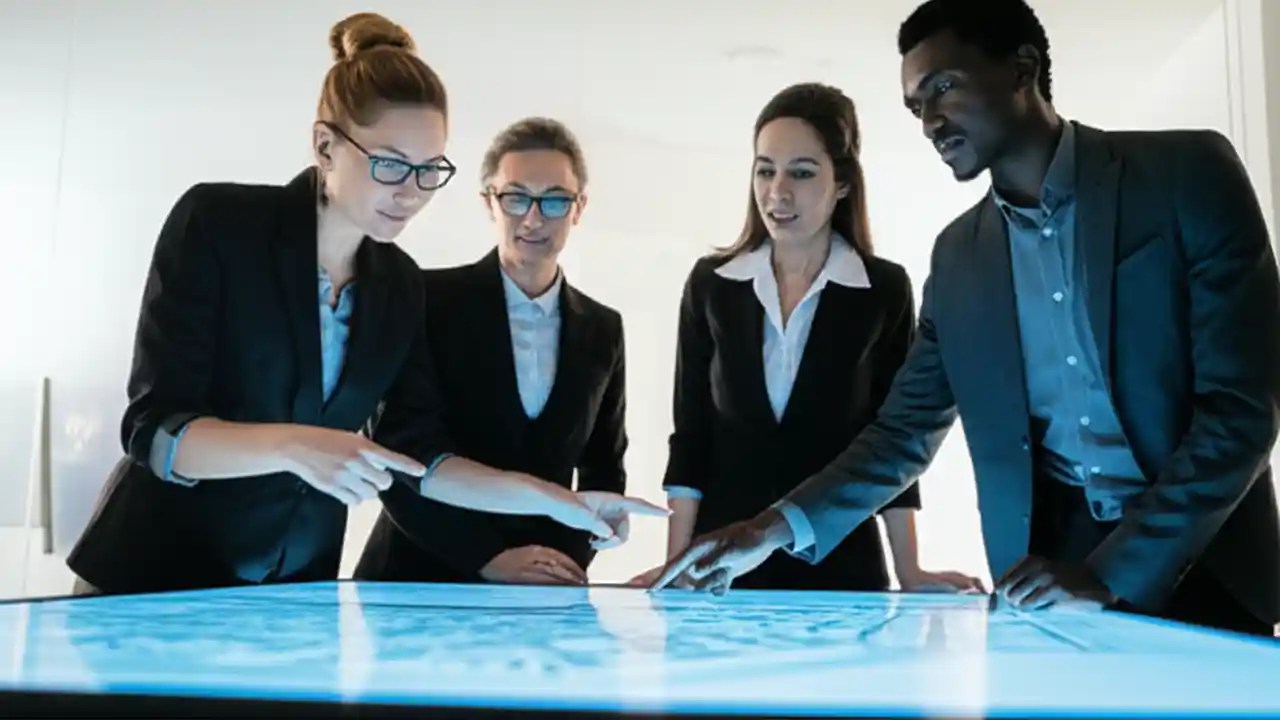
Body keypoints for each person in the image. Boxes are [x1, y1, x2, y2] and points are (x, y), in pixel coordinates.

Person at [653, 0, 1280, 638]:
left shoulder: (1188, 175)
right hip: (1044, 579)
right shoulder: (958, 258)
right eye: (915, 106)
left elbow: (1241, 411)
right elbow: (900, 435)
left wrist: (1113, 572)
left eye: (942, 88)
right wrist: (764, 532)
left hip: (1208, 564)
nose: (929, 121)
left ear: (1021, 70)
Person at [66, 13, 661, 596]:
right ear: (325, 144)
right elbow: (155, 431)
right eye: (391, 165)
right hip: (152, 576)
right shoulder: (220, 225)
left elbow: (418, 460)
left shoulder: (400, 284)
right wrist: (295, 445)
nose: (411, 192)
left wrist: (558, 501)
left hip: (291, 588)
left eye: (430, 171)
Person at [634, 83, 980, 593]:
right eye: (765, 169)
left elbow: (892, 442)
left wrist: (911, 571)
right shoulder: (713, 285)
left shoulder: (881, 290)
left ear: (841, 182)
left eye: (801, 172)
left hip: (841, 566)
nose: (778, 192)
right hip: (720, 566)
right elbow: (690, 439)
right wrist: (676, 564)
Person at [356, 117, 649, 585]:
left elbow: (604, 466)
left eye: (554, 199)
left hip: (541, 587)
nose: (533, 218)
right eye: (515, 198)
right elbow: (400, 454)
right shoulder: (426, 301)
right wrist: (487, 559)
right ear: (489, 202)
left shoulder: (603, 328)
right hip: (417, 580)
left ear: (579, 208)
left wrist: (568, 558)